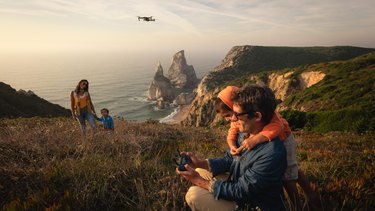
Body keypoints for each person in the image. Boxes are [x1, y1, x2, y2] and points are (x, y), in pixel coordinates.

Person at [177, 84, 287, 210]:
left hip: (253, 203)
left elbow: (242, 191)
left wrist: (200, 181)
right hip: (239, 181)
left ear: (257, 116)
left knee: (194, 195)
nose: (233, 119)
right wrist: (200, 163)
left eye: (237, 114)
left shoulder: (271, 153)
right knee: (199, 170)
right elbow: (231, 160)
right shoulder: (245, 132)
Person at [215, 85, 319, 208]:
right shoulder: (239, 116)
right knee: (292, 169)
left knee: (288, 174)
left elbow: (278, 127)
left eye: (230, 115)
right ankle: (308, 191)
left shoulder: (268, 116)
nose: (230, 120)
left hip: (284, 139)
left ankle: (297, 204)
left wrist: (255, 139)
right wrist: (232, 144)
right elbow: (232, 132)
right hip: (271, 143)